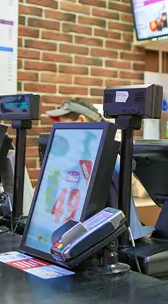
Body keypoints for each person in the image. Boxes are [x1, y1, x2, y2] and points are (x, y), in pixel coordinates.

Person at [45, 98, 153, 240]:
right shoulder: (73, 158)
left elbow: (139, 191)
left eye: (62, 121)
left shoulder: (106, 156)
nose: (58, 127)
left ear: (81, 120)